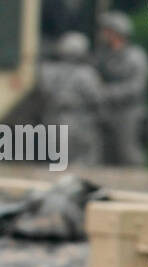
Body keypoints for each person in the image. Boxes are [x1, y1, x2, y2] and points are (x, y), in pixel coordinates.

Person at [38, 31, 103, 166]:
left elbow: (42, 93)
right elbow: (96, 98)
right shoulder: (86, 73)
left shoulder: (46, 70)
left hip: (51, 120)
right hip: (78, 122)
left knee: (55, 161)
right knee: (84, 161)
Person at [96, 11, 148, 166]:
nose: (104, 34)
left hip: (129, 112)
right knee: (105, 156)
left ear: (116, 33)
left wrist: (108, 92)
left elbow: (137, 87)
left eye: (107, 31)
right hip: (107, 111)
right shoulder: (104, 56)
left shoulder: (135, 56)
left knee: (128, 154)